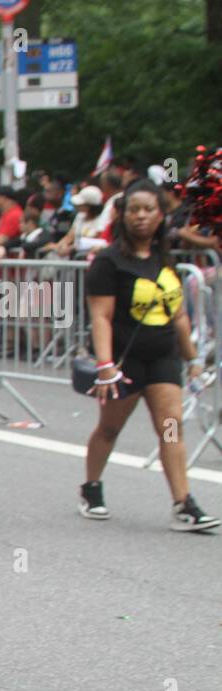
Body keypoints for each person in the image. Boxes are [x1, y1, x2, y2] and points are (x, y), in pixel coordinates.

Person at [79, 180, 217, 531]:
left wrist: (193, 360)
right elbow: (101, 317)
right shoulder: (108, 262)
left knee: (171, 428)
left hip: (163, 360)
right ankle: (91, 488)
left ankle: (183, 503)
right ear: (123, 215)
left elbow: (179, 315)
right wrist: (105, 366)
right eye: (134, 209)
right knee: (110, 428)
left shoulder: (163, 257)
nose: (141, 216)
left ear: (160, 215)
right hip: (125, 364)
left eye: (149, 209)